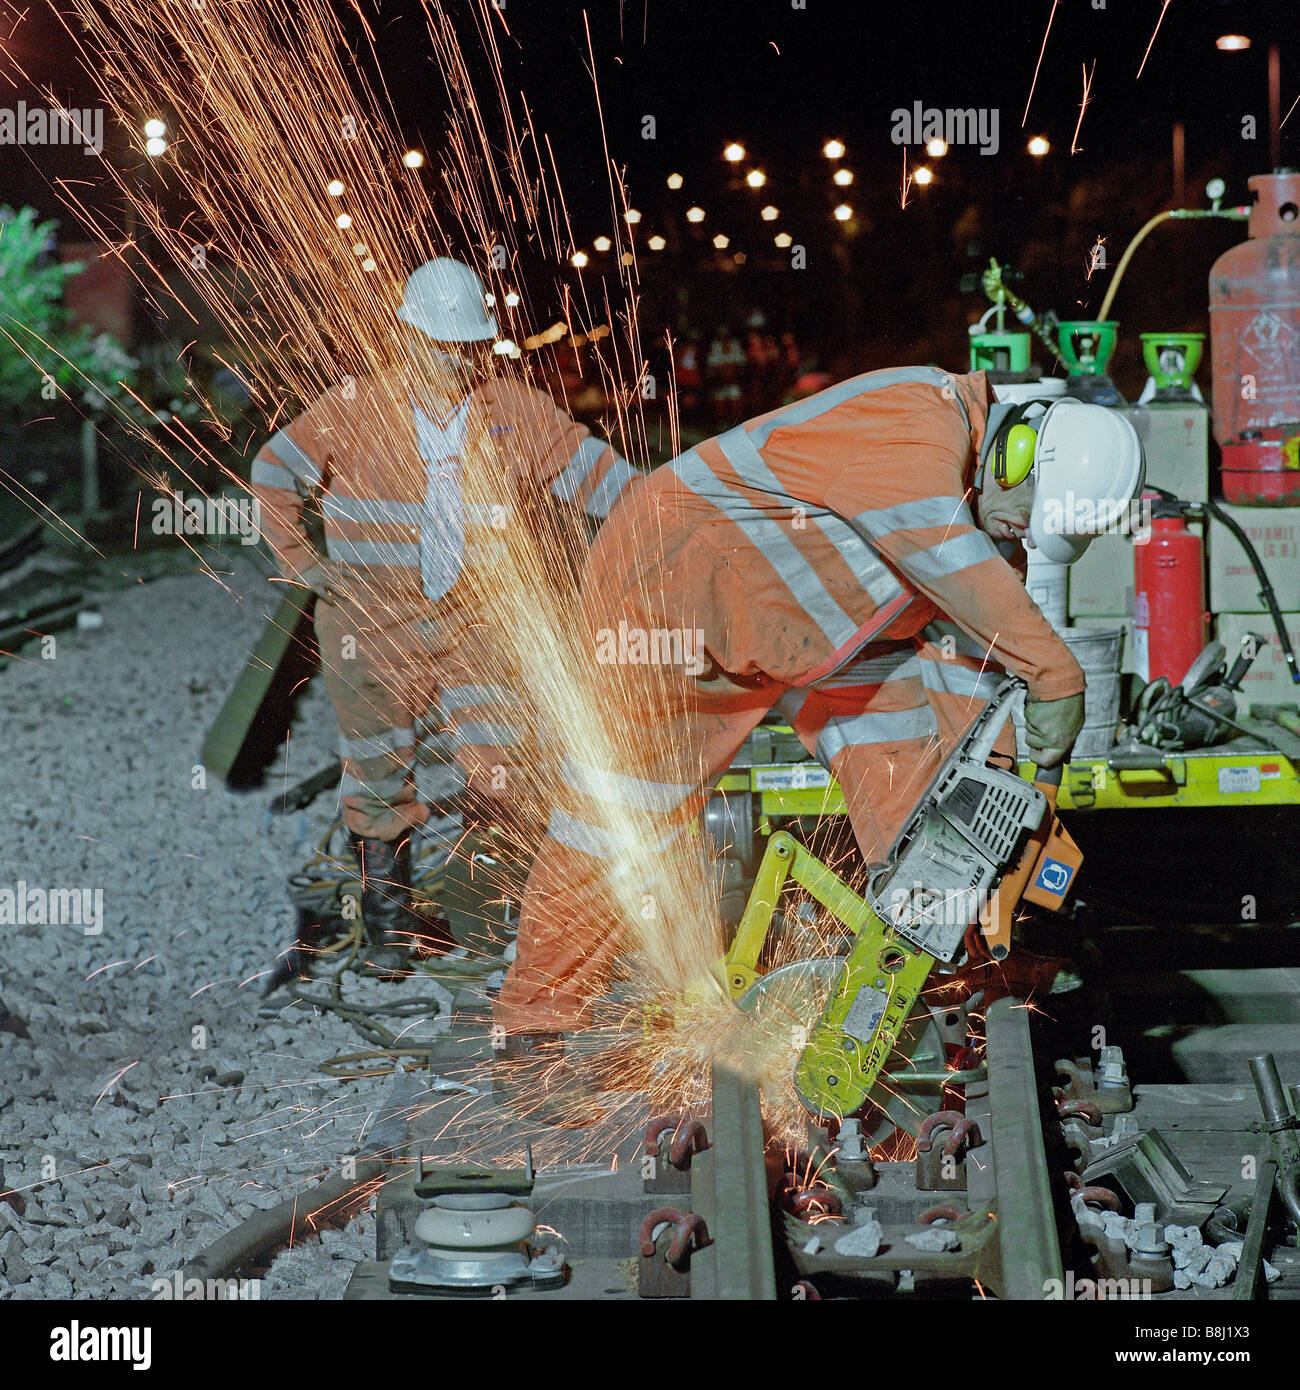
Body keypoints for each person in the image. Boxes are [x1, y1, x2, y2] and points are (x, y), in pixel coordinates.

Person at [493, 366, 1143, 1113]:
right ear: (1019, 452)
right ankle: (534, 1033)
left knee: (918, 764)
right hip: (664, 601)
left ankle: (935, 959)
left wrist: (995, 858)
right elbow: (945, 552)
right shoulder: (914, 422)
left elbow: (976, 676)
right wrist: (1056, 675)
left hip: (807, 636)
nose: (1017, 540)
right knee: (617, 818)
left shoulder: (982, 498)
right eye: (1023, 520)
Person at [250, 257, 637, 974]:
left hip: (474, 621)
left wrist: (671, 509)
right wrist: (307, 569)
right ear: (407, 335)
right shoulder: (356, 406)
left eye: (469, 347)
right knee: (377, 770)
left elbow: (592, 475)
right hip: (371, 622)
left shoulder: (510, 410)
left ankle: (499, 916)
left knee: (499, 766)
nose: (458, 361)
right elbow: (272, 473)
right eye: (442, 345)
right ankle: (390, 932)